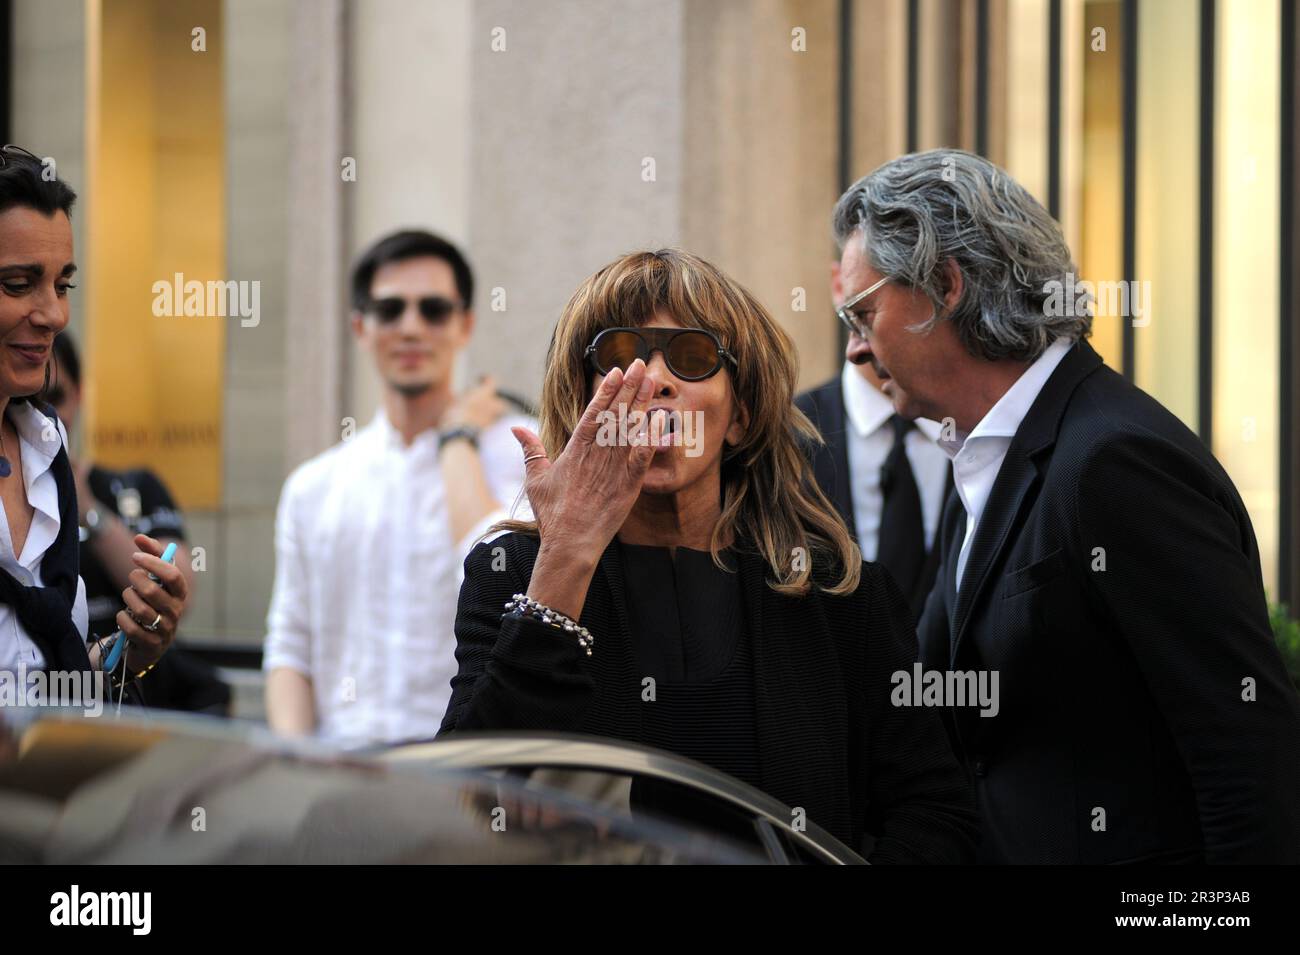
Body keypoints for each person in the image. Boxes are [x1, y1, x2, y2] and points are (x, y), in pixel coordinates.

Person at [831, 147, 1300, 863]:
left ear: (945, 285)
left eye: (864, 313)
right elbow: (931, 706)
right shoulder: (980, 456)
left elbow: (1243, 750)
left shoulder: (1114, 461)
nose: (855, 351)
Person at [439, 248, 978, 863]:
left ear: (741, 417)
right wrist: (568, 553)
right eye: (622, 356)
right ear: (584, 402)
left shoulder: (833, 591)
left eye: (693, 357)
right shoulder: (512, 572)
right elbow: (469, 793)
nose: (657, 380)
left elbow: (935, 809)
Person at [264, 230, 534, 745]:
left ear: (465, 324)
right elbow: (290, 646)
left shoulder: (526, 456)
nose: (411, 327)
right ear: (360, 327)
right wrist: (297, 765)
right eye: (391, 310)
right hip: (340, 775)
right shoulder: (313, 486)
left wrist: (459, 437)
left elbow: (522, 611)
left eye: (433, 309)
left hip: (471, 775)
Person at [0, 144, 185, 689]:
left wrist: (133, 648)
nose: (54, 314)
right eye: (18, 283)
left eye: (62, 286)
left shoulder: (45, 445)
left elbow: (35, 677)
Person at [49, 333, 226, 714]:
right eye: (29, 401)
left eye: (56, 398)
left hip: (138, 704)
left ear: (79, 394)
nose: (44, 416)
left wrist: (89, 512)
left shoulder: (138, 487)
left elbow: (179, 587)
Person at [797, 264, 952, 624]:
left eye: (915, 281)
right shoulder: (785, 433)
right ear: (840, 284)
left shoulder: (982, 427)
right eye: (886, 278)